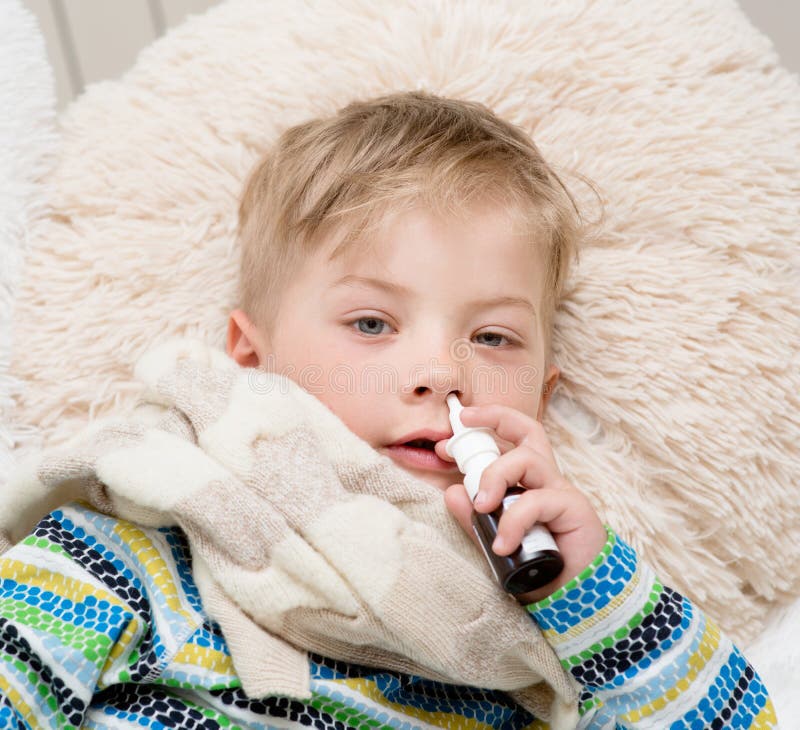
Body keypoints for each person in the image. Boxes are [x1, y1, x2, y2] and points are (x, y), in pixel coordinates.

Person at [0, 90, 777, 729]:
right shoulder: (144, 537)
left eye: (493, 336)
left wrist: (591, 589)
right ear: (250, 355)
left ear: (542, 396)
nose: (441, 374)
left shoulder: (551, 617)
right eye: (371, 324)